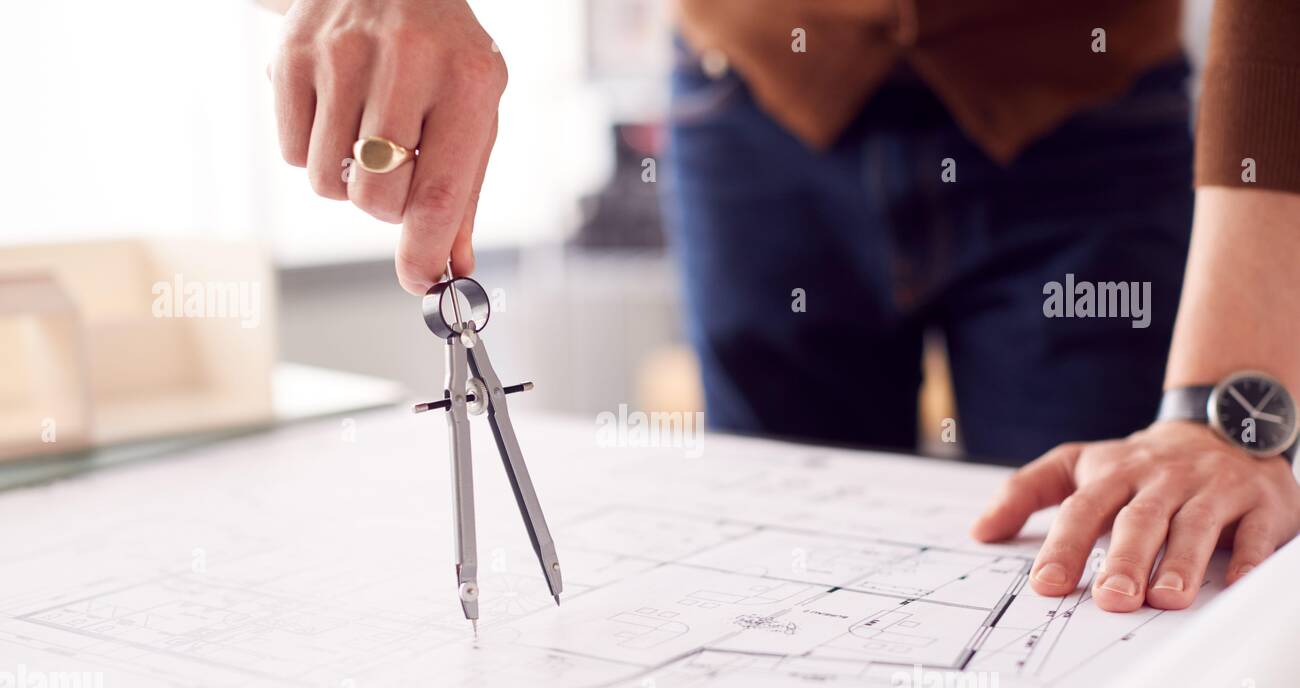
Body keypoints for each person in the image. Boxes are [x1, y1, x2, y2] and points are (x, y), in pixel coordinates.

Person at [264, 0, 1300, 614]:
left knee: (1114, 575)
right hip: (745, 99)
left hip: (1085, 103)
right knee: (794, 601)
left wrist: (1228, 401)